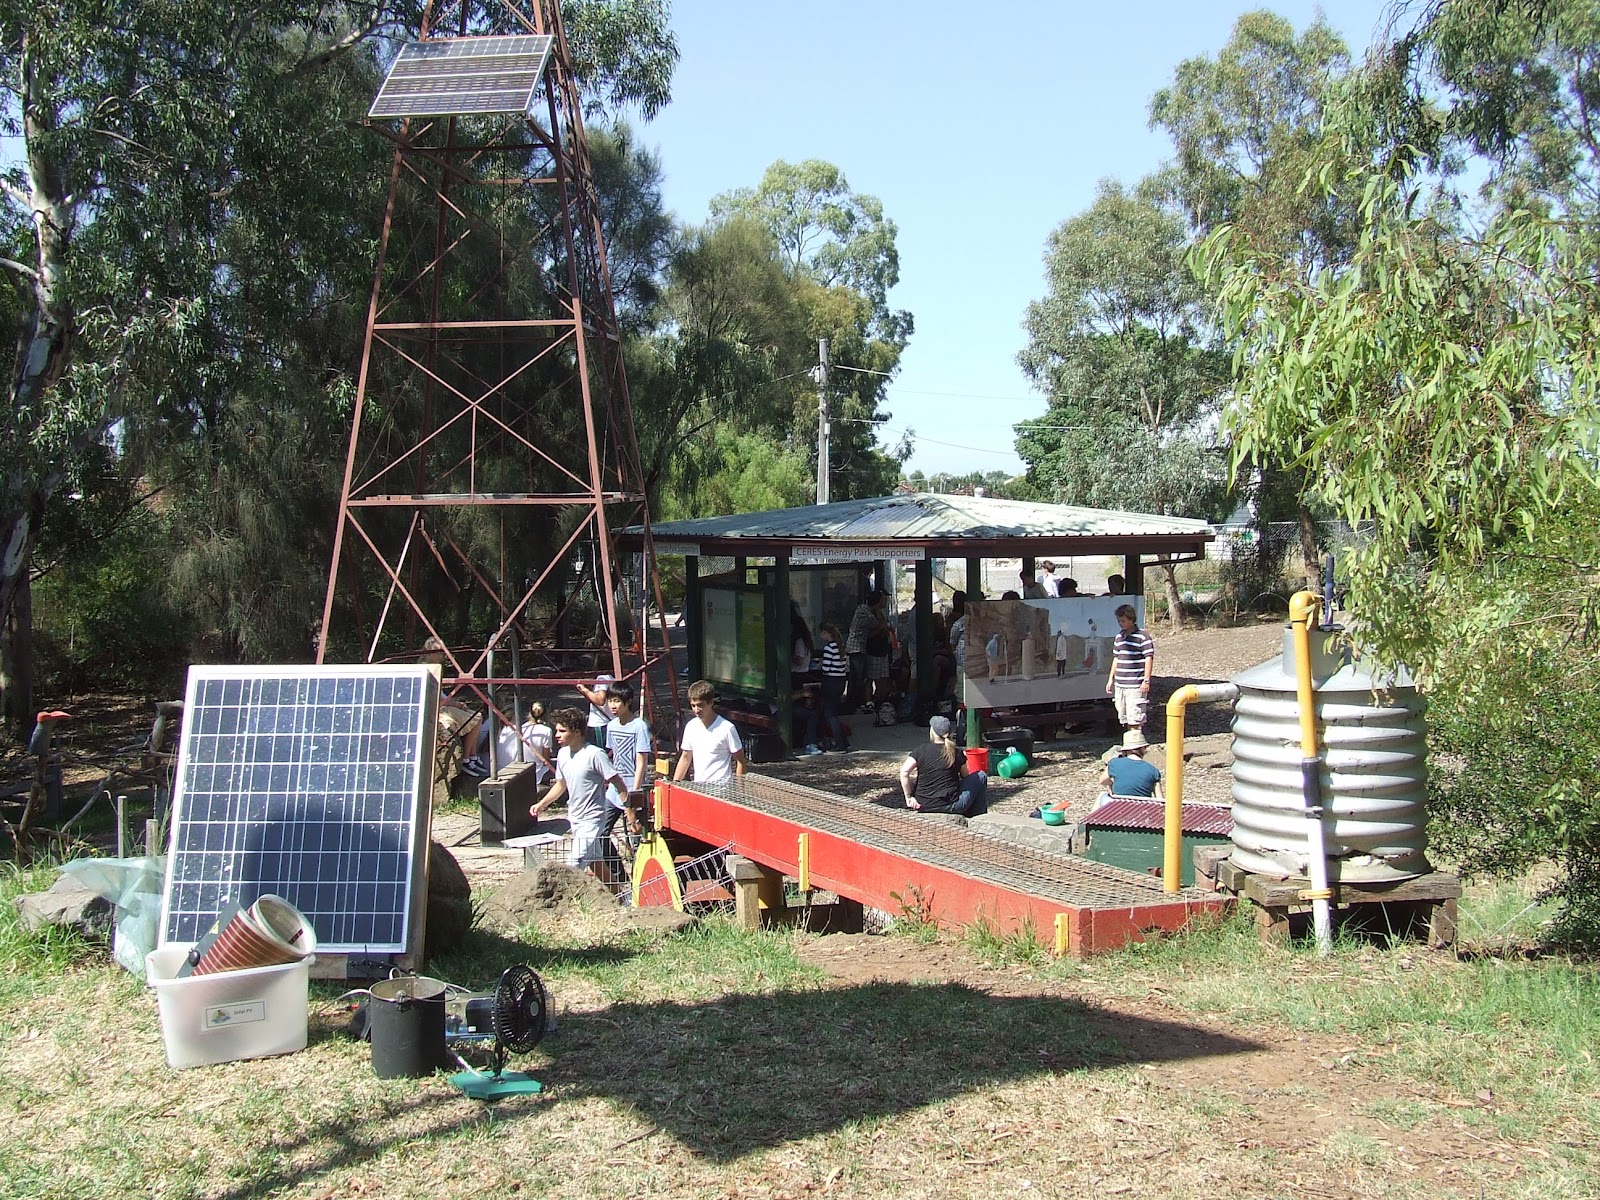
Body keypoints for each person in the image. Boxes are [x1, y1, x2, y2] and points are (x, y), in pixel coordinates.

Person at [530, 708, 632, 893]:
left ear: (577, 732)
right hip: (575, 818)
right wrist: (542, 804)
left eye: (562, 731)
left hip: (593, 819)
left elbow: (617, 781)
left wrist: (628, 808)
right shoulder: (562, 755)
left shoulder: (594, 754)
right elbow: (561, 785)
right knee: (596, 862)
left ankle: (566, 902)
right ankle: (622, 899)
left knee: (574, 863)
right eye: (556, 730)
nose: (557, 735)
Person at [898, 715, 988, 816]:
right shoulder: (956, 752)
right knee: (981, 775)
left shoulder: (921, 750)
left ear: (932, 731)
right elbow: (965, 775)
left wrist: (909, 797)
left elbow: (904, 772)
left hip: (923, 804)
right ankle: (978, 815)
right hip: (950, 805)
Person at [674, 680, 747, 782]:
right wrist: (675, 784)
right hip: (700, 789)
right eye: (693, 705)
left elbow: (740, 761)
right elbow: (685, 758)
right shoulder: (691, 726)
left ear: (711, 702)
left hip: (722, 790)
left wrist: (740, 792)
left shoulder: (727, 728)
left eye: (700, 705)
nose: (696, 710)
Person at [604, 681, 651, 819]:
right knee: (603, 830)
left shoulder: (639, 726)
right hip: (615, 789)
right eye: (610, 701)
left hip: (633, 787)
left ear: (628, 702)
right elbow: (614, 756)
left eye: (617, 701)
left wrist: (635, 792)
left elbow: (641, 762)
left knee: (636, 832)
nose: (612, 705)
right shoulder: (611, 726)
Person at [1105, 603, 1155, 731]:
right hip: (1121, 683)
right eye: (1119, 621)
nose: (1120, 623)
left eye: (1123, 621)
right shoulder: (1119, 637)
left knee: (1135, 716)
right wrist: (1111, 679)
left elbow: (1148, 657)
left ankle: (1136, 745)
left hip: (1135, 684)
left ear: (1131, 620)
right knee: (1124, 716)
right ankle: (1130, 743)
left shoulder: (1143, 636)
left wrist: (1146, 680)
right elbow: (1116, 658)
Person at [846, 589, 892, 710]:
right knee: (859, 677)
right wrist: (881, 618)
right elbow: (881, 626)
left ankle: (855, 701)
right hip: (857, 648)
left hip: (858, 647)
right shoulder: (867, 613)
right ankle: (855, 702)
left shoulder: (862, 608)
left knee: (857, 676)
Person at [1099, 728, 1164, 801]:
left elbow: (1102, 781)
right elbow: (1160, 799)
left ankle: (1093, 813)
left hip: (1118, 806)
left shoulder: (1114, 763)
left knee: (1102, 796)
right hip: (1142, 808)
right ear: (1143, 749)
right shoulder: (1153, 771)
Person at [816, 623, 851, 752]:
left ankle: (840, 744)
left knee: (830, 714)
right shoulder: (839, 646)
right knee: (834, 712)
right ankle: (844, 741)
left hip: (830, 681)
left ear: (826, 633)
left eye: (821, 633)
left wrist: (820, 664)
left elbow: (826, 668)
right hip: (840, 682)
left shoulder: (829, 648)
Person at [576, 673, 613, 746]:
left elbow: (600, 700)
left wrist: (584, 690)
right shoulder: (610, 677)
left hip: (600, 724)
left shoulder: (602, 678)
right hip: (604, 723)